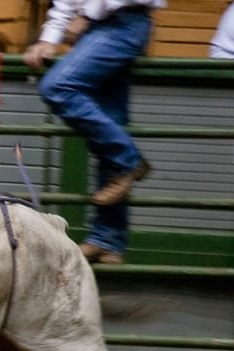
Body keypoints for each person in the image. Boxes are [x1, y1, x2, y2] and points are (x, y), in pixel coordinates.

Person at [24, 1, 165, 265]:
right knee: (111, 119)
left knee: (57, 86)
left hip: (124, 22)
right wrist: (49, 39)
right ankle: (108, 239)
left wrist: (86, 15)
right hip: (101, 27)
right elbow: (66, 3)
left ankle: (128, 161)